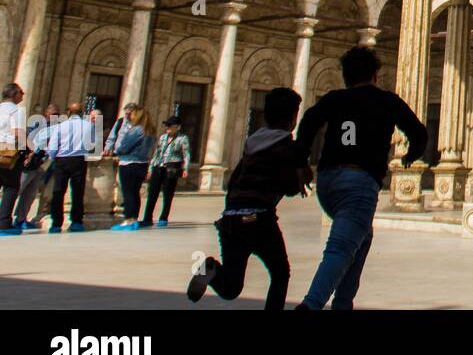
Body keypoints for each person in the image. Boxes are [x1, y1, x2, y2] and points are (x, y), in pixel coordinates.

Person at [294, 46, 427, 310]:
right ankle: (311, 304)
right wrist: (410, 156)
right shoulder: (386, 101)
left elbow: (308, 121)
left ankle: (343, 303)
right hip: (359, 183)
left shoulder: (335, 99)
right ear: (375, 75)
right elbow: (419, 132)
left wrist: (302, 163)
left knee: (362, 238)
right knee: (341, 249)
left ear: (345, 76)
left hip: (328, 182)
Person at [188, 87, 310, 310]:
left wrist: (232, 212)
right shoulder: (287, 147)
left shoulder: (252, 144)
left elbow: (234, 182)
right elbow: (289, 185)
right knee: (281, 273)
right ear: (293, 118)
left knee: (231, 287)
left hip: (231, 219)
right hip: (259, 219)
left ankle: (210, 269)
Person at [46, 102, 97, 233]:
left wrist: (54, 158)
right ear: (82, 112)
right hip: (79, 160)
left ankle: (56, 223)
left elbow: (52, 147)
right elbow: (92, 146)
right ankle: (76, 221)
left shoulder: (61, 126)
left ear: (68, 112)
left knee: (58, 192)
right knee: (78, 192)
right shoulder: (89, 126)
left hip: (62, 160)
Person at [13, 103, 59, 231]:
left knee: (31, 193)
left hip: (42, 163)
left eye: (57, 114)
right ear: (46, 113)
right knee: (18, 189)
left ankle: (21, 219)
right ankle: (4, 217)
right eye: (53, 114)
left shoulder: (57, 128)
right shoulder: (37, 124)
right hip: (30, 161)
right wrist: (28, 154)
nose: (55, 116)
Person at [110, 107, 155, 231]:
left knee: (128, 192)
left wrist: (117, 150)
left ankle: (128, 219)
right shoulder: (149, 131)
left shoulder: (137, 130)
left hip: (129, 163)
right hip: (142, 163)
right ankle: (134, 218)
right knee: (135, 192)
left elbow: (124, 147)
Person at [141, 116, 191, 227]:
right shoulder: (163, 137)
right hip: (158, 166)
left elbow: (186, 154)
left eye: (170, 125)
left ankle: (164, 217)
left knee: (168, 193)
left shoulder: (182, 138)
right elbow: (156, 153)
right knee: (152, 192)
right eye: (166, 125)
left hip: (172, 168)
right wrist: (150, 167)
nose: (167, 127)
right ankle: (147, 218)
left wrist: (185, 168)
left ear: (177, 127)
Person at [0, 83, 27, 236]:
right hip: (7, 151)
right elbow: (17, 133)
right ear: (15, 94)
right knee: (10, 187)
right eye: (21, 93)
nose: (22, 96)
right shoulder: (16, 111)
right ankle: (3, 223)